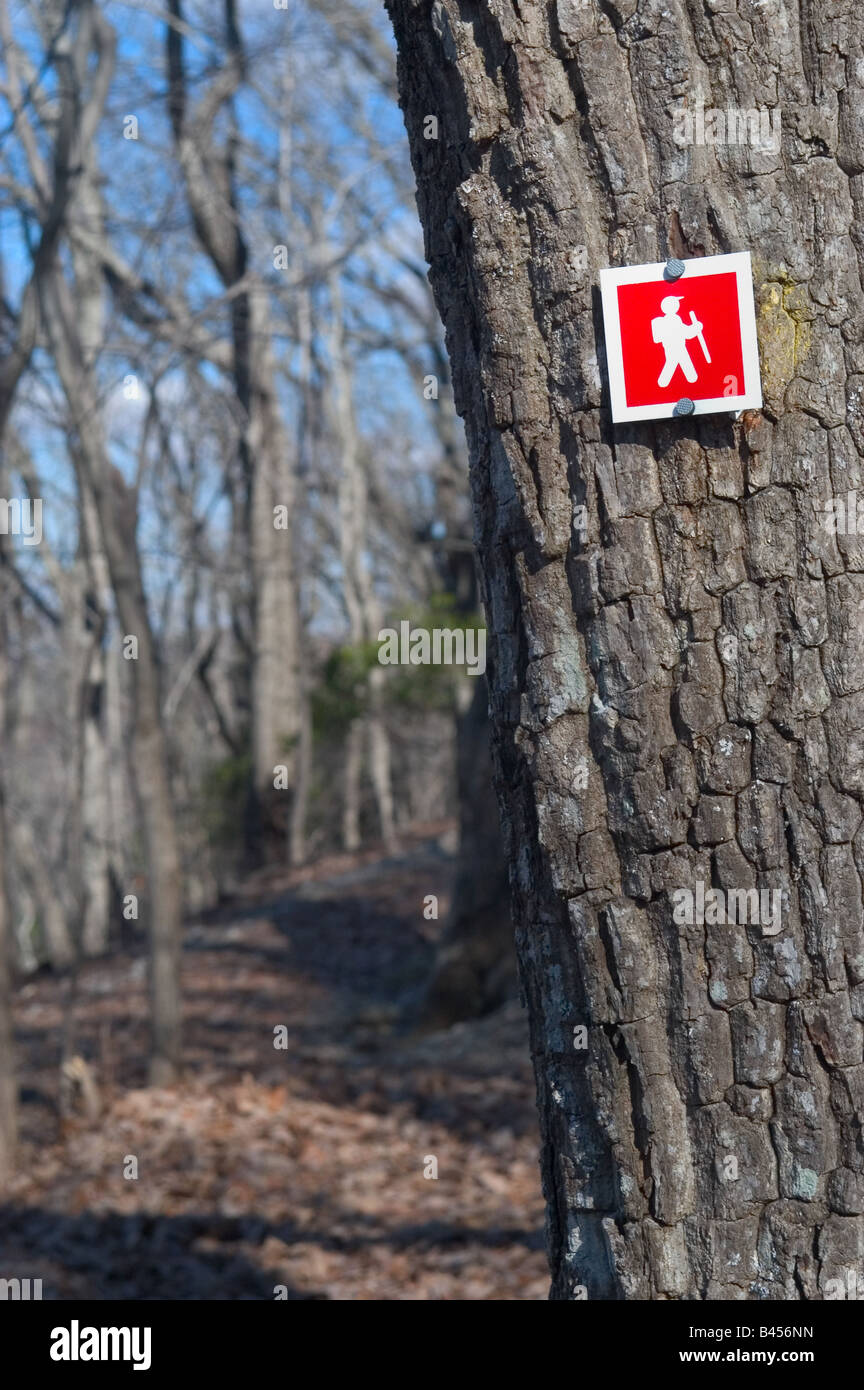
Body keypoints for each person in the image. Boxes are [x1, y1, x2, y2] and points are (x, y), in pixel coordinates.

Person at [652, 296, 706, 387]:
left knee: (681, 361)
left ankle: (692, 379)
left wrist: (696, 327)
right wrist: (697, 327)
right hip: (675, 347)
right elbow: (686, 333)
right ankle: (663, 382)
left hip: (676, 346)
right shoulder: (672, 319)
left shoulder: (674, 318)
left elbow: (685, 331)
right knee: (673, 362)